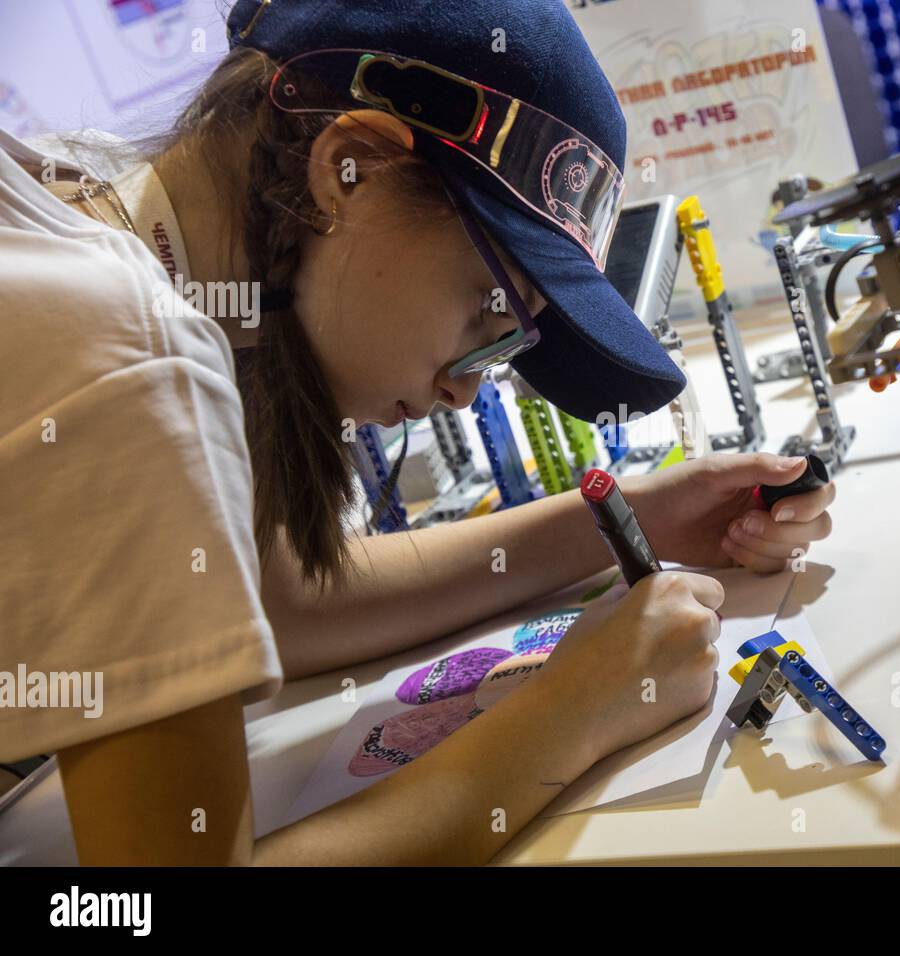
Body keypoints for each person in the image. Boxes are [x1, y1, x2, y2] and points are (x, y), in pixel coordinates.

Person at [0, 0, 834, 865]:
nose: (468, 386)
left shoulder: (88, 202)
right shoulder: (120, 348)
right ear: (348, 169)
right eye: (493, 309)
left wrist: (631, 521)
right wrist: (572, 712)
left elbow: (272, 598)